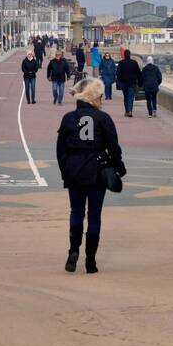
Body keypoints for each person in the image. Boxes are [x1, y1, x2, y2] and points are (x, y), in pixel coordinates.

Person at [56, 77, 125, 274]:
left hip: (74, 171)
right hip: (96, 171)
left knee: (76, 211)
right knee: (94, 215)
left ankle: (73, 251)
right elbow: (113, 147)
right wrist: (119, 167)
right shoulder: (103, 118)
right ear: (95, 96)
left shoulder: (69, 118)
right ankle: (91, 261)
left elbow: (61, 149)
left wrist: (65, 171)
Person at [115, 49, 142, 117]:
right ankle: (130, 111)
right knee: (130, 97)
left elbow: (117, 73)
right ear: (130, 54)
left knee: (126, 97)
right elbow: (138, 73)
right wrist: (140, 81)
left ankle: (127, 111)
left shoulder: (121, 62)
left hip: (124, 83)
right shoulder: (134, 62)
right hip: (132, 82)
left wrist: (119, 81)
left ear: (124, 55)